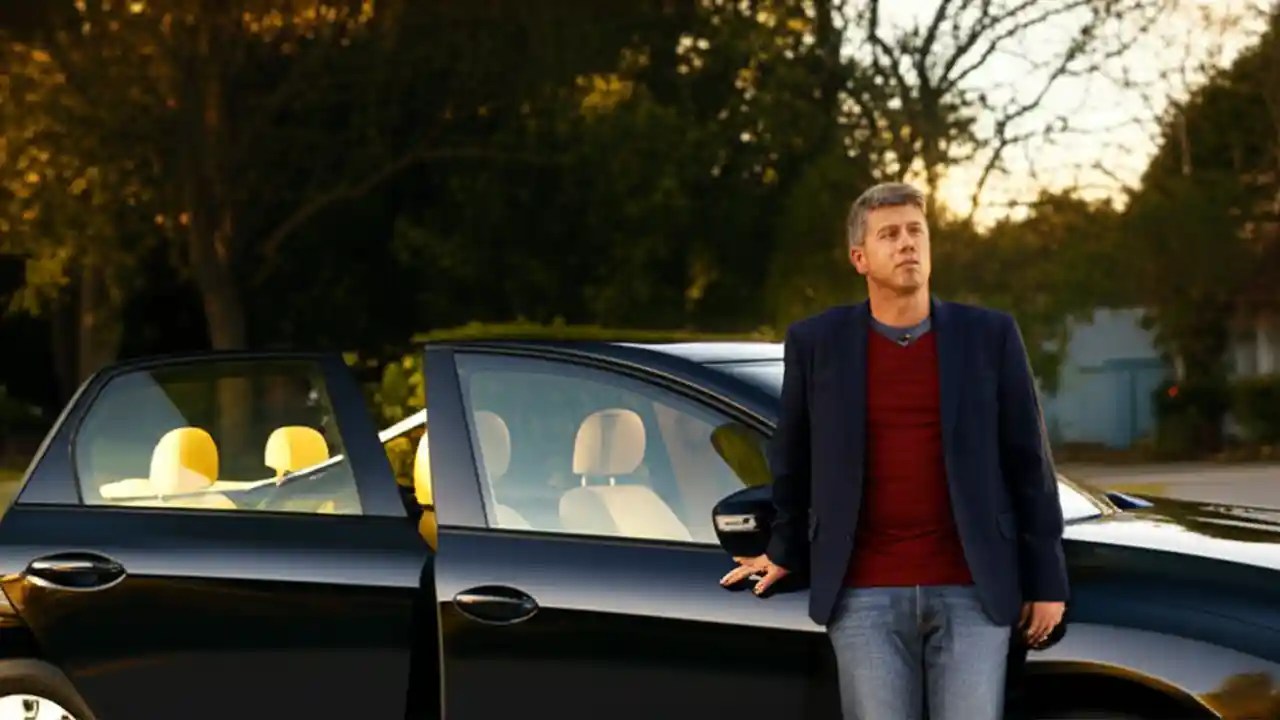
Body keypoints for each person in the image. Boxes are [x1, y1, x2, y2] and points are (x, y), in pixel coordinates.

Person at [719, 182, 1068, 720]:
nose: (907, 244)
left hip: (974, 590)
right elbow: (793, 457)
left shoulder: (989, 336)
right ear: (860, 257)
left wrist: (1047, 579)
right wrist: (785, 545)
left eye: (915, 231)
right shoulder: (817, 344)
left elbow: (1030, 464)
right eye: (889, 235)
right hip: (863, 596)